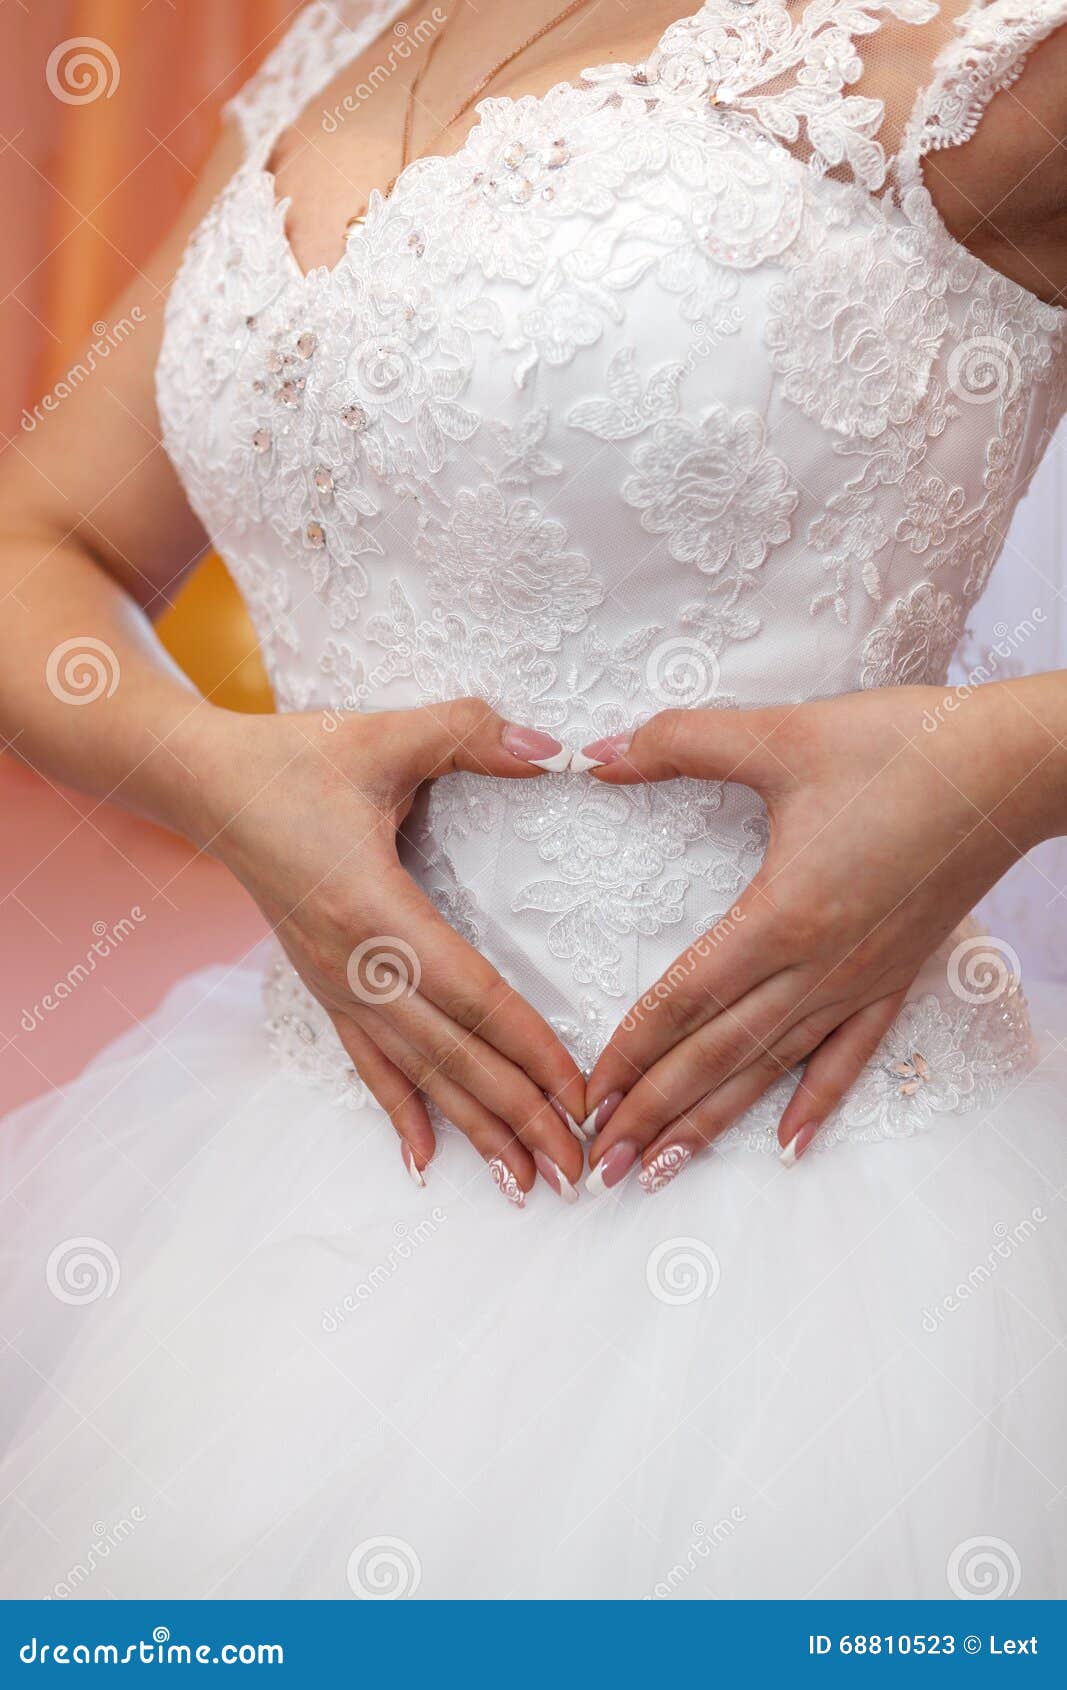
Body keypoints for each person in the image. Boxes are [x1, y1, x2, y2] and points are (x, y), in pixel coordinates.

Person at [1, 0, 1066, 1600]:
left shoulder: (996, 58)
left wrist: (1005, 765)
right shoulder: (353, 34)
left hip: (820, 1226)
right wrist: (222, 778)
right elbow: (41, 545)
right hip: (291, 1208)